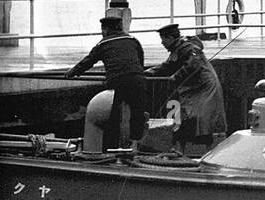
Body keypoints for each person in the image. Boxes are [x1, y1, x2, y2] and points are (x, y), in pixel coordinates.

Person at [64, 16, 148, 148]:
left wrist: (72, 72)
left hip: (117, 81)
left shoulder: (103, 44)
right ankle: (135, 144)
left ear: (106, 29)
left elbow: (88, 61)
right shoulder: (133, 40)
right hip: (138, 80)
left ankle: (111, 146)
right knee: (137, 113)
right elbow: (140, 61)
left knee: (113, 114)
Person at [148, 23, 228, 154]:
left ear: (170, 38)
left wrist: (176, 76)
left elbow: (193, 65)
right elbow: (167, 66)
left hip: (204, 86)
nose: (162, 43)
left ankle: (206, 150)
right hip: (193, 87)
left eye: (163, 39)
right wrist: (149, 72)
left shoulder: (189, 47)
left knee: (203, 119)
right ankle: (185, 149)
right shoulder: (178, 48)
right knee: (187, 117)